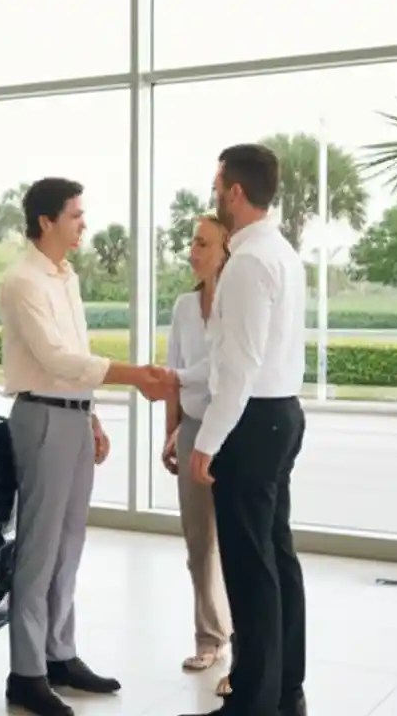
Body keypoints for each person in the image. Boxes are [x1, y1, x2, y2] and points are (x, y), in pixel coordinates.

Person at [0, 176, 174, 716]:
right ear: (46, 221)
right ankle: (26, 674)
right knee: (39, 548)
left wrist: (92, 415)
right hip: (42, 420)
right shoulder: (23, 280)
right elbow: (54, 359)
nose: (83, 223)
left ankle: (59, 653)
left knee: (70, 543)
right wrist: (132, 374)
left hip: (72, 418)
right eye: (75, 215)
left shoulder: (65, 277)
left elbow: (77, 354)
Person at [178, 144, 308, 716]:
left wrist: (206, 442)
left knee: (250, 566)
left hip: (252, 422)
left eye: (217, 185)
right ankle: (285, 687)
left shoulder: (248, 263)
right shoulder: (281, 253)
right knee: (276, 556)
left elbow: (241, 365)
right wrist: (178, 377)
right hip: (280, 414)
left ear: (234, 191)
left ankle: (252, 700)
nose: (215, 195)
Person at [161, 214, 234, 676]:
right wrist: (171, 432)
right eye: (193, 242)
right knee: (198, 541)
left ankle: (242, 634)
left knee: (235, 539)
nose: (194, 251)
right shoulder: (184, 309)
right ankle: (209, 636)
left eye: (204, 243)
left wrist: (176, 380)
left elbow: (214, 372)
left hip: (231, 432)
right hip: (191, 429)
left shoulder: (237, 304)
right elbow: (173, 372)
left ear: (226, 252)